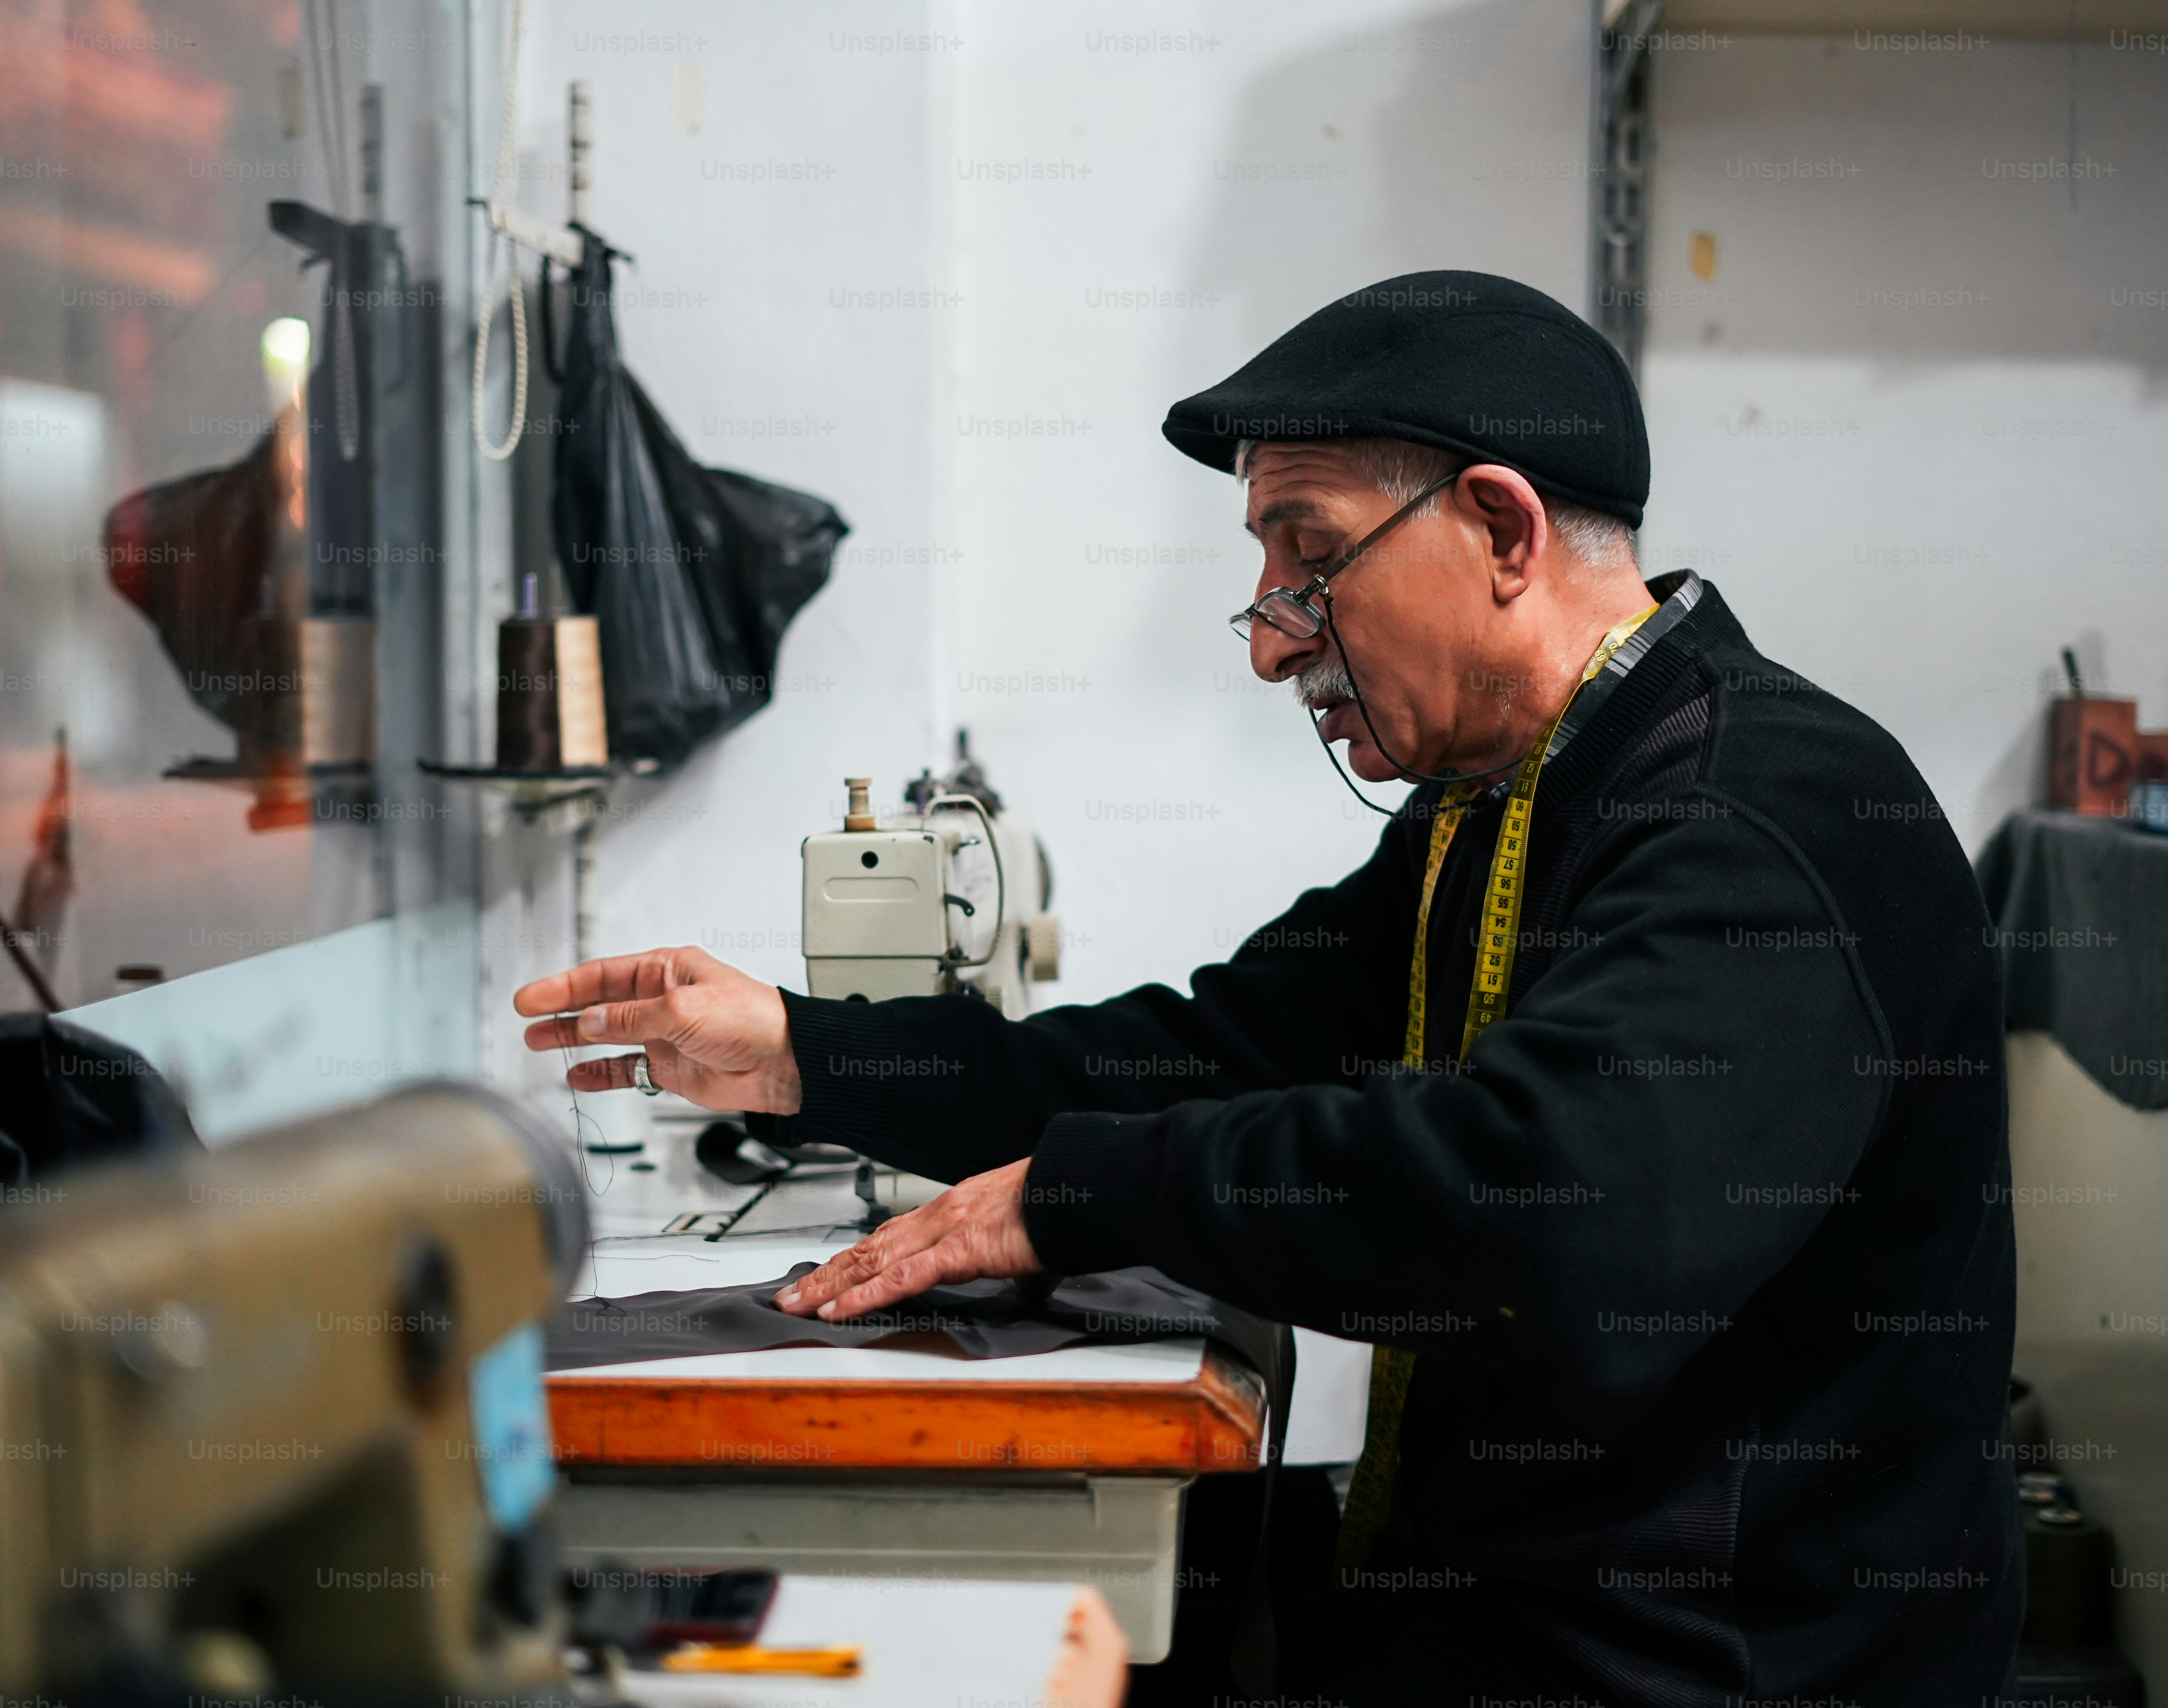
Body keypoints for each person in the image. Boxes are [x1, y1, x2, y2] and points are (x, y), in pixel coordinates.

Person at [515, 272, 2020, 1707]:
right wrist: (799, 1052)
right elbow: (1213, 1055)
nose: (1270, 639)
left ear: (1498, 528)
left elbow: (1556, 1214)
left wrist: (1080, 1193)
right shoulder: (1502, 805)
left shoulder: (1760, 819)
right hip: (1520, 1614)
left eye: (1308, 555)